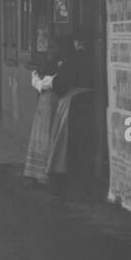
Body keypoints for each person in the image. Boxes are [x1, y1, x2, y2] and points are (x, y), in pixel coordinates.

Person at [24, 33, 94, 189]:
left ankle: (50, 174)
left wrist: (40, 82)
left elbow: (58, 82)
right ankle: (45, 172)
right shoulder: (61, 61)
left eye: (52, 47)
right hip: (53, 102)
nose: (49, 50)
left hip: (57, 101)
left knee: (54, 138)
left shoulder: (68, 60)